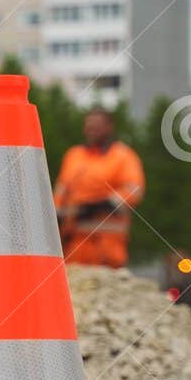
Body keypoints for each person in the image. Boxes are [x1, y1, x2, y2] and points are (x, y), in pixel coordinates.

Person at [53, 109, 144, 268]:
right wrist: (56, 215)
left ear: (109, 128)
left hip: (107, 246)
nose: (91, 131)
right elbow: (61, 191)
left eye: (97, 127)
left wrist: (102, 205)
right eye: (89, 126)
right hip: (73, 244)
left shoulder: (122, 156)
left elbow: (134, 189)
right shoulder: (74, 155)